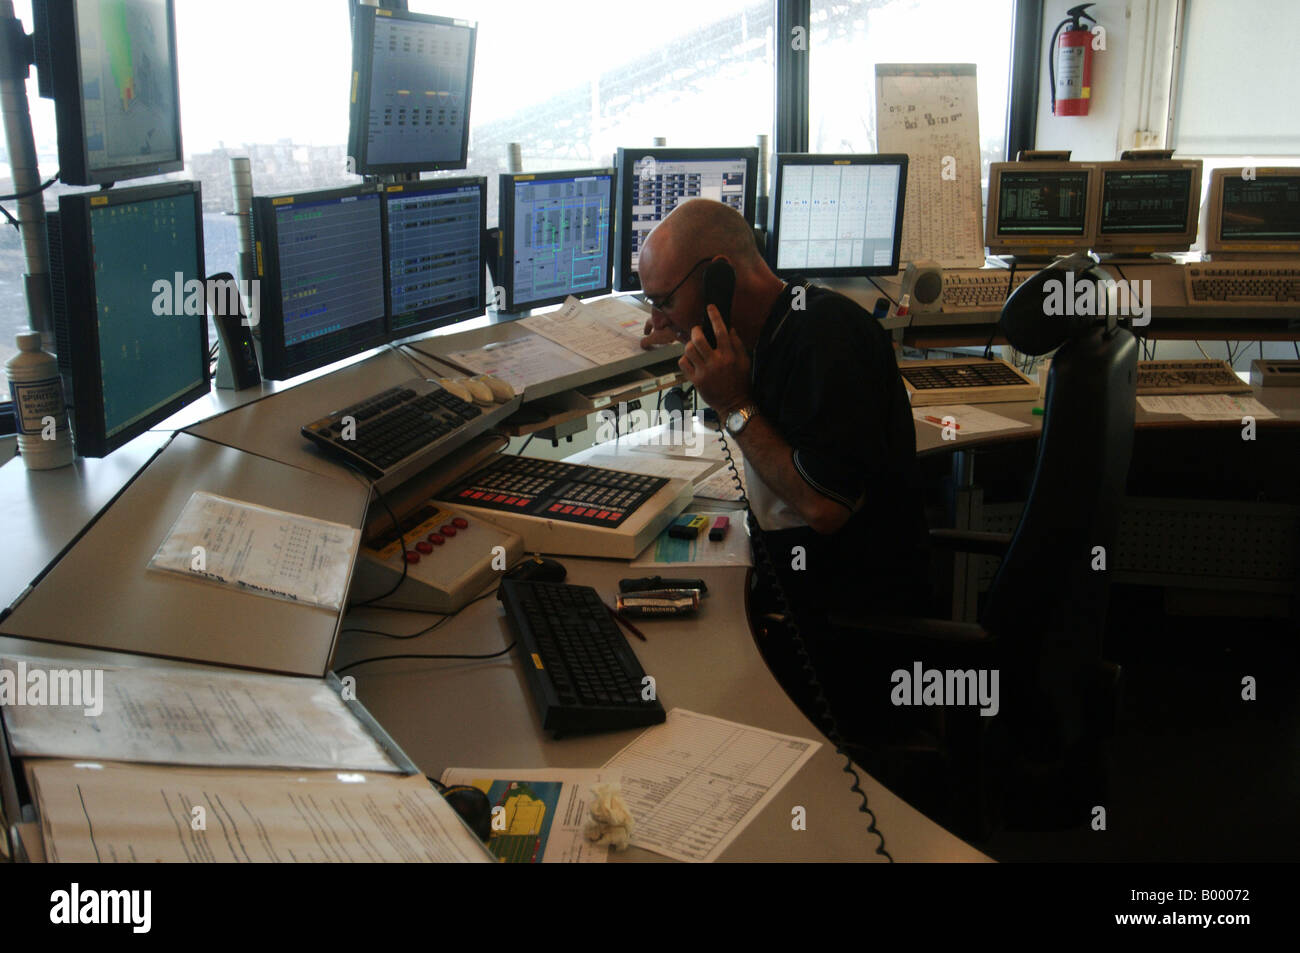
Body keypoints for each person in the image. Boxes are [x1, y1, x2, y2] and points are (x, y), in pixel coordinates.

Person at [637, 198, 929, 738]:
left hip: (845, 626)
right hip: (796, 586)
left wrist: (733, 405)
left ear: (720, 277)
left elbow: (822, 507)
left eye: (664, 300)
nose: (656, 322)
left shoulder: (825, 338)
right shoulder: (770, 334)